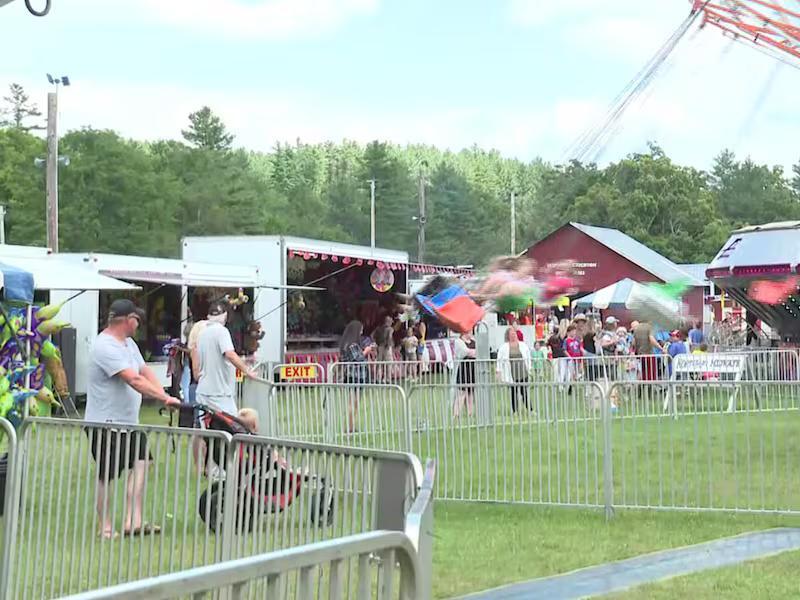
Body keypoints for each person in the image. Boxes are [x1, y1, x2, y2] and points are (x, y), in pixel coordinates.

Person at [85, 299, 181, 539]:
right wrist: (163, 398)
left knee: (143, 463)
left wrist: (164, 396)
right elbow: (133, 380)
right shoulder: (104, 346)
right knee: (107, 475)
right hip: (105, 423)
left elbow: (144, 371)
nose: (138, 324)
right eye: (137, 320)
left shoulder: (128, 344)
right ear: (128, 320)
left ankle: (133, 521)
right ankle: (105, 527)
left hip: (129, 423)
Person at [193, 303, 258, 417]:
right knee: (232, 430)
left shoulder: (201, 333)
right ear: (225, 316)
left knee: (207, 432)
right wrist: (247, 371)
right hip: (219, 394)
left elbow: (197, 356)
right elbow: (230, 354)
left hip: (203, 391)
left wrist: (197, 374)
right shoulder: (222, 331)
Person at [339, 320, 375, 432]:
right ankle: (349, 427)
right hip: (355, 375)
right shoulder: (352, 345)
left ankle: (351, 425)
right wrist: (367, 351)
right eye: (360, 330)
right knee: (353, 402)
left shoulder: (346, 344)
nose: (361, 332)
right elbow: (357, 358)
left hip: (353, 375)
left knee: (354, 402)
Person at [496, 327, 532, 413]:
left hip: (522, 370)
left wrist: (530, 368)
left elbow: (528, 356)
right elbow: (499, 359)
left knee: (524, 392)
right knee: (513, 392)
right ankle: (514, 410)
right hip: (511, 371)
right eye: (511, 334)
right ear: (508, 336)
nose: (513, 335)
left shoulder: (523, 345)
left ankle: (530, 409)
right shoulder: (503, 347)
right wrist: (498, 371)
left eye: (514, 334)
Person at [453, 331, 477, 418]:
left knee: (470, 393)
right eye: (468, 331)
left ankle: (470, 413)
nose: (470, 333)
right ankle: (456, 414)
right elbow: (465, 352)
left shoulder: (474, 341)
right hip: (463, 369)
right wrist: (473, 352)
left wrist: (473, 352)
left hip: (472, 368)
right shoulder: (459, 342)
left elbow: (478, 352)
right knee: (461, 392)